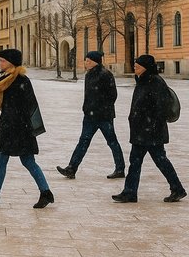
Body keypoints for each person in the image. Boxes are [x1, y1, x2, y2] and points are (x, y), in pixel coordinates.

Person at [0, 48, 54, 209]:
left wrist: (22, 126)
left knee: (28, 161)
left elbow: (29, 106)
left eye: (2, 61)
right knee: (1, 160)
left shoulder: (21, 81)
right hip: (9, 128)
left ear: (11, 62)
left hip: (20, 129)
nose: (0, 63)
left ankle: (46, 193)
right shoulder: (6, 80)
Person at [112, 54, 186, 203]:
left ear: (145, 68)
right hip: (142, 131)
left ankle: (176, 189)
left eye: (138, 66)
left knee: (159, 161)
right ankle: (130, 192)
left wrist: (151, 127)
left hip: (151, 132)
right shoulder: (143, 80)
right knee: (139, 161)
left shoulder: (155, 82)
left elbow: (160, 109)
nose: (135, 68)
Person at [57, 51, 125, 180]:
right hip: (90, 116)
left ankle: (120, 168)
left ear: (95, 62)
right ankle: (71, 168)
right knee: (83, 141)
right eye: (86, 60)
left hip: (104, 116)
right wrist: (87, 108)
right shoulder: (89, 75)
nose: (86, 63)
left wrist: (101, 109)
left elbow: (113, 95)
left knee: (112, 142)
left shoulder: (106, 75)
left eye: (88, 60)